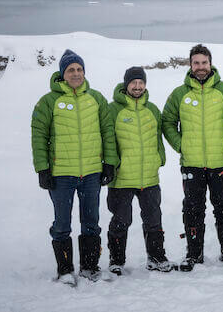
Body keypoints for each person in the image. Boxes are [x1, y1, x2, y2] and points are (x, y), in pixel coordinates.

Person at [31, 49, 118, 285]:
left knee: (91, 222)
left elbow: (107, 132)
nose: (76, 73)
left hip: (91, 172)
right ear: (62, 74)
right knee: (62, 224)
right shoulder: (49, 101)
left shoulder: (96, 98)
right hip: (61, 175)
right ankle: (65, 270)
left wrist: (109, 163)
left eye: (79, 69)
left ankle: (90, 268)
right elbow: (39, 135)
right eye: (71, 70)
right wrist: (42, 168)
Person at [162, 44, 223, 271]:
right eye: (196, 63)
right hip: (191, 164)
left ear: (211, 63)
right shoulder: (179, 94)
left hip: (220, 163)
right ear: (190, 65)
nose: (201, 67)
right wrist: (180, 144)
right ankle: (194, 254)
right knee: (193, 209)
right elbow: (167, 122)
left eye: (204, 63)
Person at [106, 67, 174, 275]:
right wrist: (112, 163)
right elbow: (107, 140)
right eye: (133, 83)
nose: (137, 86)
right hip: (122, 177)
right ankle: (116, 260)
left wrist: (160, 158)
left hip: (149, 176)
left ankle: (156, 258)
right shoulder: (112, 110)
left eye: (141, 83)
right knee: (121, 221)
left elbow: (158, 137)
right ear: (126, 84)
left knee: (154, 220)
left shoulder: (152, 109)